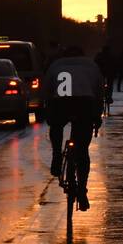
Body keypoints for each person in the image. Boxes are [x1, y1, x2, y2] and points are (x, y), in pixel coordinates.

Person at [43, 44, 105, 211]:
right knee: (82, 151)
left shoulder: (56, 65)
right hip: (84, 103)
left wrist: (48, 111)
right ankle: (82, 191)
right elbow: (99, 92)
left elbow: (47, 89)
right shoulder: (91, 65)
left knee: (56, 126)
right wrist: (97, 116)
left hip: (61, 102)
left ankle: (56, 155)